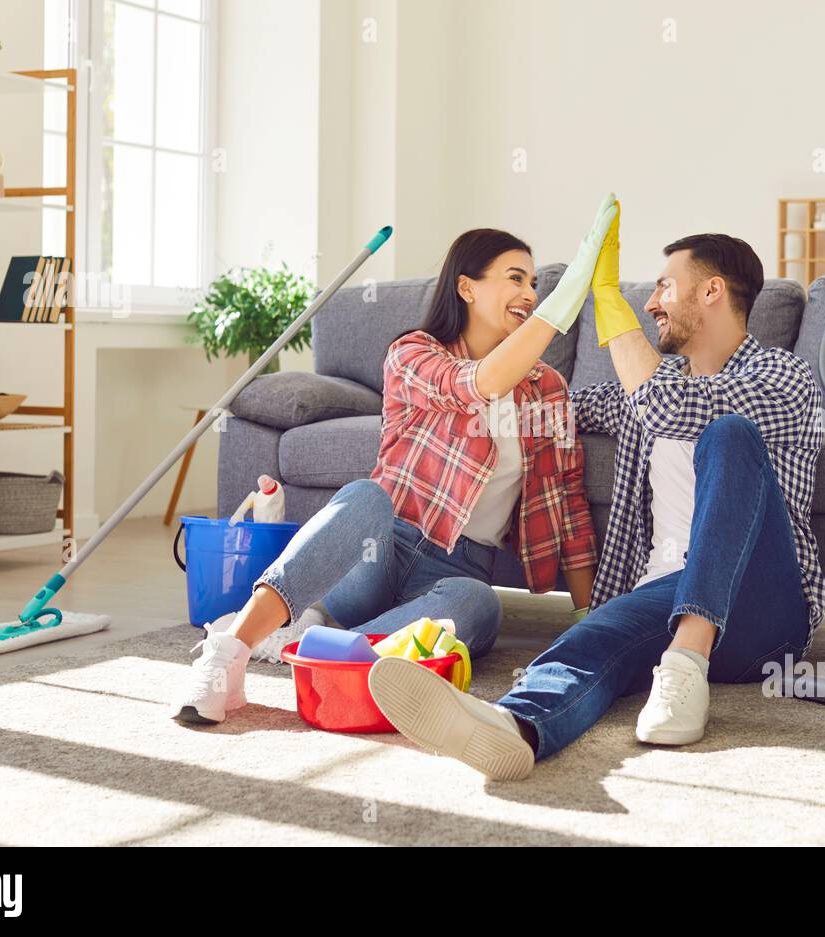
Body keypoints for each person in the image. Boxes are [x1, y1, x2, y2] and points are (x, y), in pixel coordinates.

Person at [368, 202, 825, 780]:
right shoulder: (637, 392)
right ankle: (513, 727)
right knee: (594, 636)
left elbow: (668, 408)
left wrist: (607, 298)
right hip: (665, 592)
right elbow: (554, 408)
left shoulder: (782, 376)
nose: (652, 303)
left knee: (728, 435)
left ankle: (685, 664)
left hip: (763, 612)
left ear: (712, 291)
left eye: (664, 287)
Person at [170, 195, 620, 725]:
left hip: (458, 570)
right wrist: (561, 304)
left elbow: (566, 505)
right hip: (378, 550)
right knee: (365, 496)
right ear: (466, 287)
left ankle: (325, 651)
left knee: (480, 606)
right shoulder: (415, 354)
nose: (528, 293)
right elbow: (477, 383)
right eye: (515, 279)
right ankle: (233, 651)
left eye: (534, 285)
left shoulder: (547, 388)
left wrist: (588, 615)